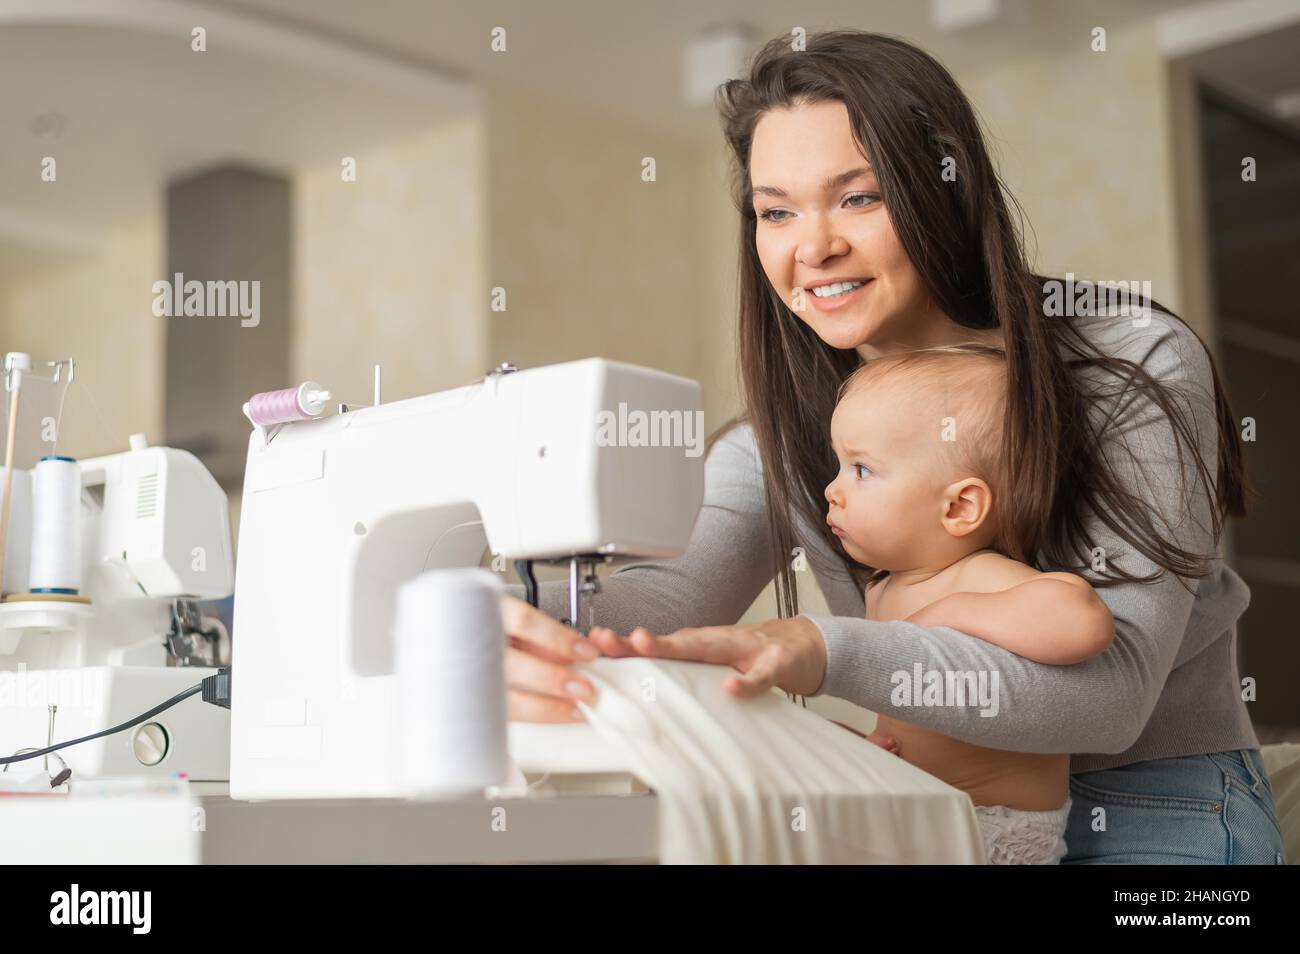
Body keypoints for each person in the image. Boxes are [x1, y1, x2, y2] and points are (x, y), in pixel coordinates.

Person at [502, 30, 1285, 864]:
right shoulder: (792, 429)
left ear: (943, 190)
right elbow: (666, 598)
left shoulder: (1127, 360)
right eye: (776, 211)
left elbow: (1111, 699)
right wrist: (500, 618)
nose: (812, 249)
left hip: (1157, 796)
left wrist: (823, 649)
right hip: (946, 808)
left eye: (858, 198)